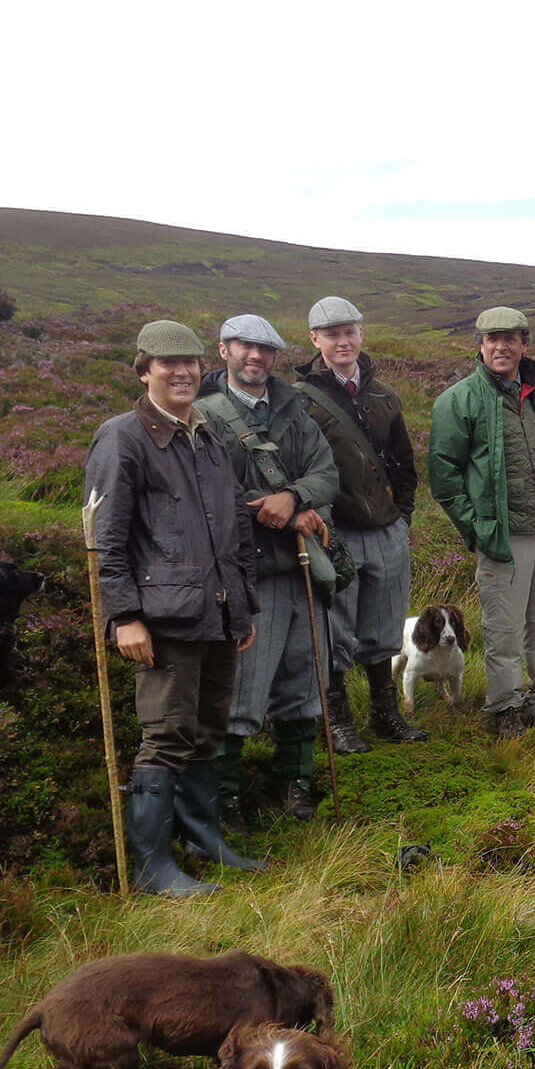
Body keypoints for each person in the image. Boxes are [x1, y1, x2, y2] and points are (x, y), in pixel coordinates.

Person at [85, 320, 260, 897]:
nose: (181, 371)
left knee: (207, 730)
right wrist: (124, 616)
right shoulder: (123, 437)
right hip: (162, 617)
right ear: (144, 372)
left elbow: (236, 526)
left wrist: (244, 608)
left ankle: (203, 841)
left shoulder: (211, 437)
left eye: (188, 362)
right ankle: (151, 865)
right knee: (166, 735)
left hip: (218, 611)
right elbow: (106, 538)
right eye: (166, 363)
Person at [196, 314, 340, 825]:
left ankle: (293, 782)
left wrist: (295, 496)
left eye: (265, 349)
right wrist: (275, 507)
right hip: (247, 573)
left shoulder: (293, 409)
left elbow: (327, 472)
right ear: (223, 351)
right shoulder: (204, 416)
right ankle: (225, 797)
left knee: (304, 681)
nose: (255, 356)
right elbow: (210, 493)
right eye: (244, 347)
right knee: (243, 688)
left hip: (303, 570)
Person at [429, 307, 535, 738]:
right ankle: (505, 708)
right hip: (502, 537)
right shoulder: (458, 399)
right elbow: (444, 475)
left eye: (511, 338)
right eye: (492, 339)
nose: (501, 346)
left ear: (524, 344)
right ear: (480, 345)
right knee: (504, 629)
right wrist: (477, 529)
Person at [293, 295, 425, 752]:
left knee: (385, 627)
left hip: (388, 531)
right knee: (335, 629)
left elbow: (405, 465)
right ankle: (338, 722)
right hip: (337, 532)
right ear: (315, 340)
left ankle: (386, 716)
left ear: (361, 335)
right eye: (331, 334)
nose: (342, 341)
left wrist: (401, 518)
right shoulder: (300, 402)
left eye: (349, 332)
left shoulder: (383, 396)